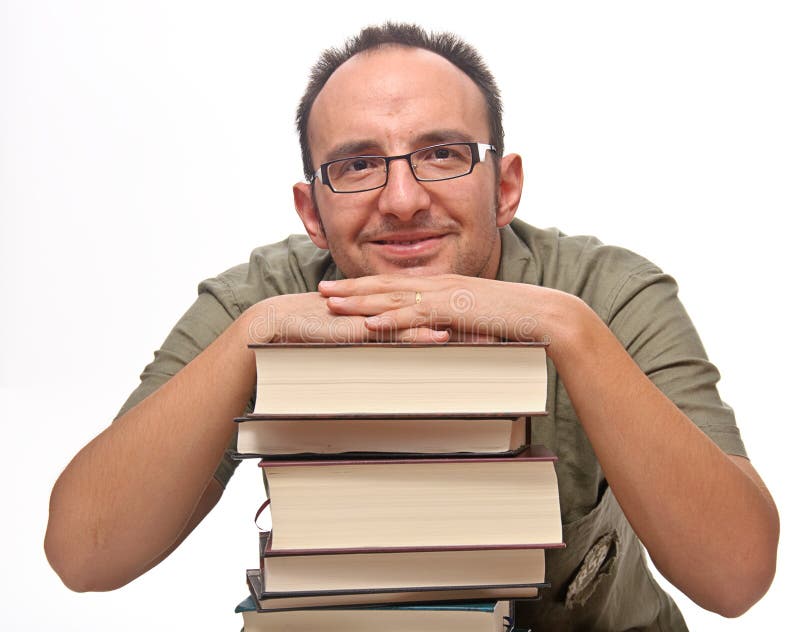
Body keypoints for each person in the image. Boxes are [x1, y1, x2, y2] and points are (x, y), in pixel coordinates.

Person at [44, 22, 778, 630]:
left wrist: (570, 332)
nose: (401, 199)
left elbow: (737, 578)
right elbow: (85, 555)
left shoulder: (603, 293)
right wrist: (253, 337)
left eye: (442, 154)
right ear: (311, 212)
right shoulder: (258, 300)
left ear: (506, 187)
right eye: (358, 165)